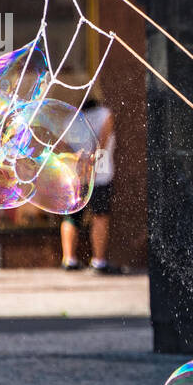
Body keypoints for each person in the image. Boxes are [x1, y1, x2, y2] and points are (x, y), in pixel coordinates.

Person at [60, 96, 116, 272]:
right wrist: (93, 159)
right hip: (100, 175)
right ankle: (98, 261)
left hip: (75, 176)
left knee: (72, 217)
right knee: (99, 216)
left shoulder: (72, 119)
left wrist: (77, 159)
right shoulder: (104, 114)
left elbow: (62, 145)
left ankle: (69, 259)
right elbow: (104, 139)